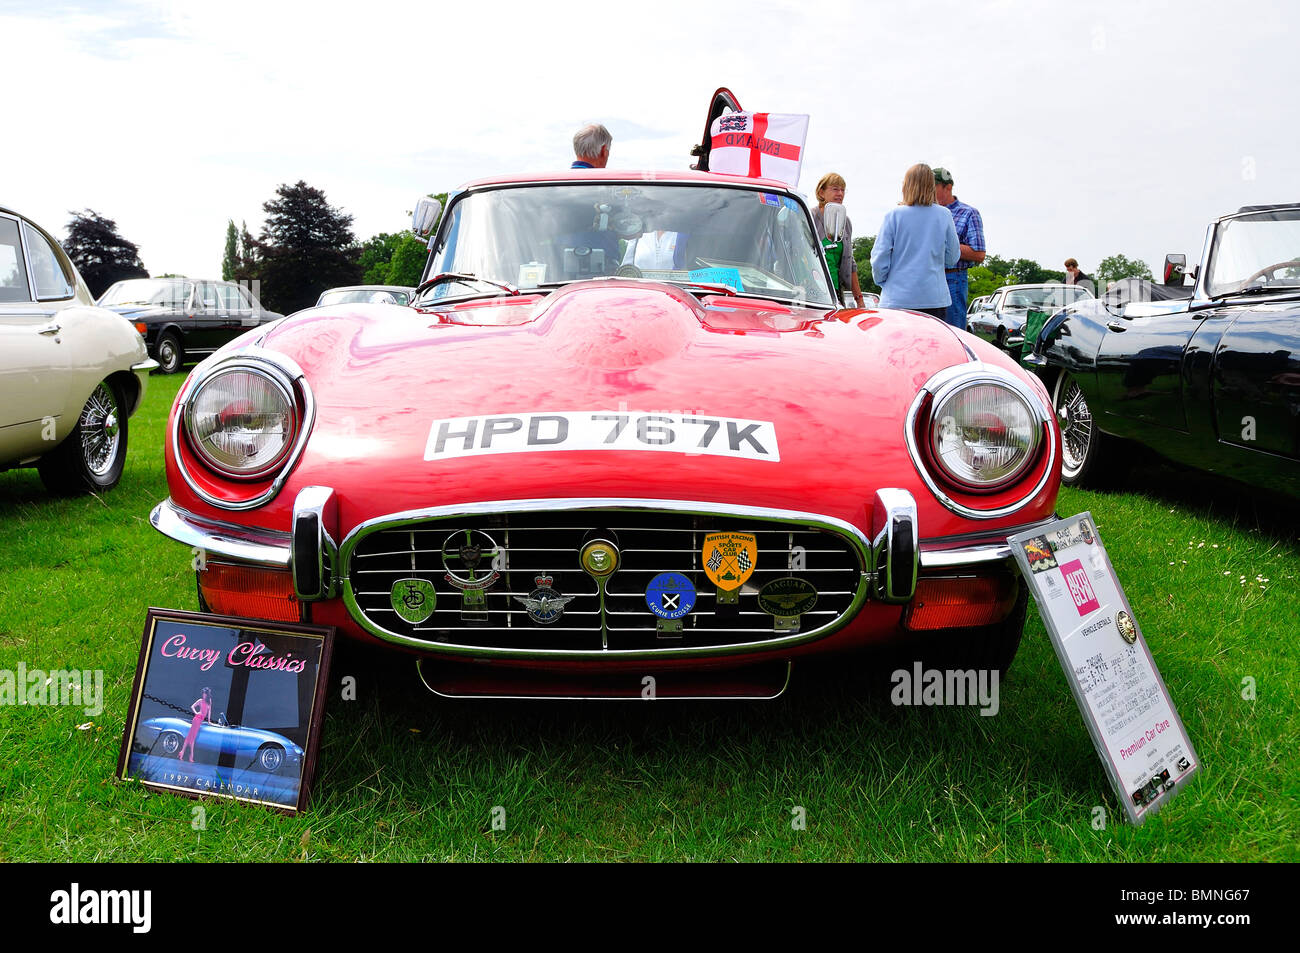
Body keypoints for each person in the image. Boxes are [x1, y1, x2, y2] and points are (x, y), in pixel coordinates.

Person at [870, 164, 959, 319]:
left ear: (906, 185)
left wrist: (884, 283)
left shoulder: (893, 216)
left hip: (897, 299)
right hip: (934, 299)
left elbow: (879, 260)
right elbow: (952, 258)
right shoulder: (944, 215)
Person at [932, 167, 985, 329]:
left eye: (933, 187)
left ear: (948, 187)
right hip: (929, 279)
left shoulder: (969, 213)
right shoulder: (928, 212)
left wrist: (945, 245)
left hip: (953, 279)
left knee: (953, 332)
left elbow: (979, 253)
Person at [811, 173, 866, 307]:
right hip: (811, 291)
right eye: (835, 189)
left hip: (836, 291)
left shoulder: (845, 222)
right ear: (821, 192)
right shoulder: (810, 216)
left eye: (843, 190)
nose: (840, 193)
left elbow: (850, 262)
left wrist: (859, 299)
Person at [178, 687, 212, 762]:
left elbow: (209, 711)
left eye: (205, 694)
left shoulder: (209, 701)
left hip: (200, 720)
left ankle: (182, 752)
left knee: (190, 737)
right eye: (203, 694)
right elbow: (192, 706)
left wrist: (209, 721)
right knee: (192, 737)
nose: (203, 695)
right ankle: (191, 755)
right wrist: (196, 713)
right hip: (197, 719)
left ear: (207, 694)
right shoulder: (200, 700)